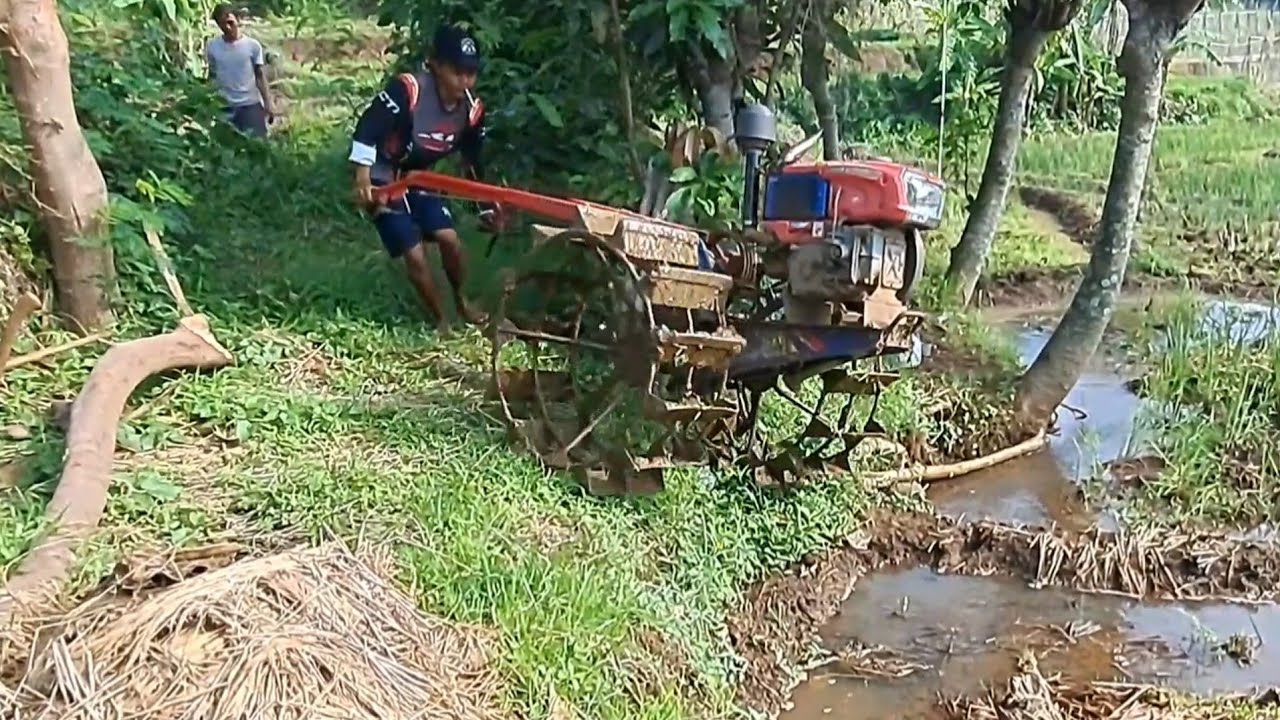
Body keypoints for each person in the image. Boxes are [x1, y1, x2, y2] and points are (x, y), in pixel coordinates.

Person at [348, 23, 502, 332]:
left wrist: (486, 207)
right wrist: (362, 180)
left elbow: (471, 163)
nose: (464, 81)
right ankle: (441, 320)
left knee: (450, 241)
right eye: (456, 71)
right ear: (436, 66)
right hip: (383, 176)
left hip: (419, 178)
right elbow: (368, 127)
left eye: (471, 73)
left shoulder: (472, 111)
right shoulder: (408, 90)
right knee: (415, 255)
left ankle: (462, 301)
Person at [205, 4, 276, 138]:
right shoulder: (213, 46)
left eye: (230, 22)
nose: (227, 27)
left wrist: (268, 103)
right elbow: (212, 75)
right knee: (225, 149)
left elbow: (260, 76)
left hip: (249, 105)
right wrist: (208, 103)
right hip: (224, 106)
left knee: (257, 146)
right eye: (222, 25)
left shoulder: (252, 46)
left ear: (238, 19)